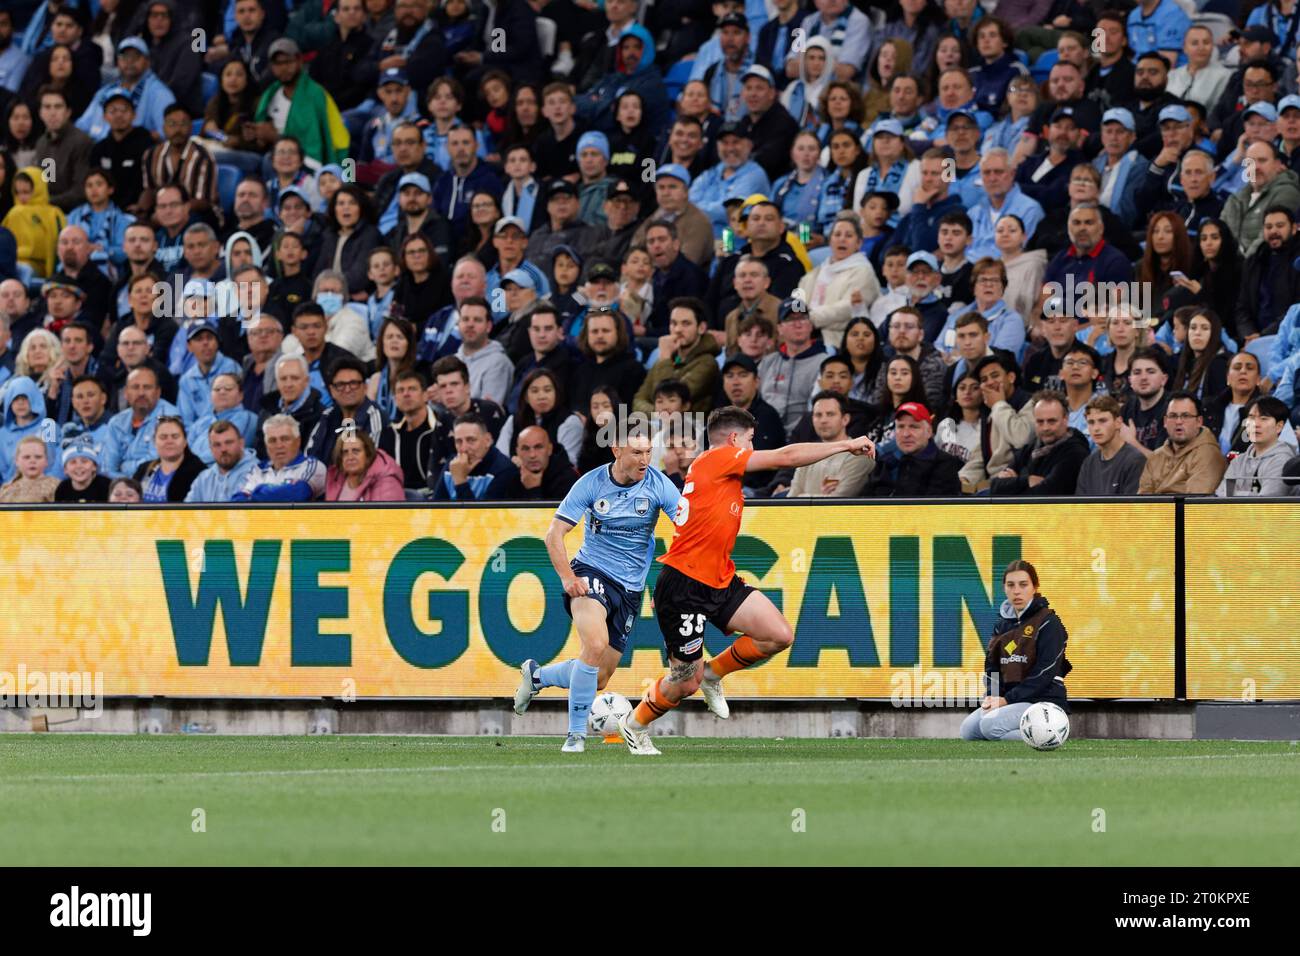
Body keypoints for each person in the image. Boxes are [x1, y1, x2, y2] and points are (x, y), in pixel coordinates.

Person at [617, 405, 876, 755]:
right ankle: (634, 724)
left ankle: (713, 673)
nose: (753, 449)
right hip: (684, 586)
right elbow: (786, 457)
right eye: (751, 441)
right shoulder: (718, 458)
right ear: (735, 440)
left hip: (719, 578)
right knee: (683, 682)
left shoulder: (720, 471)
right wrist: (844, 445)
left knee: (778, 635)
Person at [513, 423, 680, 752]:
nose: (644, 459)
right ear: (616, 451)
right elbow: (553, 535)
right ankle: (575, 735)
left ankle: (537, 677)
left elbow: (687, 531)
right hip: (591, 573)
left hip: (630, 589)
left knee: (600, 677)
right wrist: (567, 578)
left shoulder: (660, 486)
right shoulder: (591, 483)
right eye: (636, 452)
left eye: (648, 452)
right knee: (595, 643)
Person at [959, 560, 1071, 741]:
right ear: (1004, 588)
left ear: (1035, 587)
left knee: (990, 726)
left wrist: (1006, 700)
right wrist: (992, 696)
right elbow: (991, 669)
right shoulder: (1001, 626)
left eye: (1023, 585)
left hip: (1043, 703)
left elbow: (1044, 674)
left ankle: (1051, 734)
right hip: (1010, 702)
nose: (1016, 591)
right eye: (1010, 585)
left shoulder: (1049, 623)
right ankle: (1038, 737)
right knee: (969, 731)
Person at [988, 391, 1091, 496]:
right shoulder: (1031, 447)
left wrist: (1013, 483)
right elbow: (995, 487)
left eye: (1052, 421)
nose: (1045, 428)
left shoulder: (1075, 452)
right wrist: (1028, 480)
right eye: (1040, 422)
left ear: (1066, 419)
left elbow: (1046, 495)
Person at [633, 297, 720, 416]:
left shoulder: (707, 363)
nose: (678, 329)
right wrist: (657, 412)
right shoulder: (666, 358)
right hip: (657, 428)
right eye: (673, 323)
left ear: (701, 328)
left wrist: (665, 359)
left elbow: (671, 399)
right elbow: (638, 401)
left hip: (688, 431)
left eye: (686, 324)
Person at [1137, 391, 1228, 494]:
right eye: (1173, 416)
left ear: (1199, 421)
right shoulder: (1156, 456)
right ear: (1165, 422)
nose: (1179, 422)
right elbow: (1142, 500)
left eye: (1186, 416)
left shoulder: (1208, 454)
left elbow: (1194, 503)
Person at [788, 391, 876, 497]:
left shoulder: (860, 456)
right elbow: (791, 500)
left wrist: (804, 496)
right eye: (818, 415)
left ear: (845, 419)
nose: (823, 420)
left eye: (830, 414)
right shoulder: (808, 453)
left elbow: (838, 502)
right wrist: (820, 496)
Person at [868, 402, 963, 497]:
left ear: (929, 431)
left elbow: (934, 507)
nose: (906, 434)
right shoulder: (885, 461)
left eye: (914, 427)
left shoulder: (945, 464)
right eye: (901, 427)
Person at [235, 412, 327, 501]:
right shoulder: (257, 470)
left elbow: (298, 495)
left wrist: (258, 491)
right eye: (272, 440)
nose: (279, 445)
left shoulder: (312, 466)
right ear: (266, 445)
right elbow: (237, 501)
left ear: (298, 441)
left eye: (285, 439)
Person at [430, 411, 518, 500]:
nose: (464, 449)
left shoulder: (505, 470)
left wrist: (460, 481)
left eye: (471, 440)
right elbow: (436, 509)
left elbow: (479, 514)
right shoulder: (453, 464)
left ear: (487, 440)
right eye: (459, 441)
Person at [1076, 395, 1147, 495]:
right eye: (1091, 422)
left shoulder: (1135, 460)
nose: (1096, 428)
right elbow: (1080, 505)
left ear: (1118, 422)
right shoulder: (1088, 463)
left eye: (1102, 421)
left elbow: (1133, 507)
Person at [133, 412, 206, 502]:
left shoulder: (199, 472)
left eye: (175, 436)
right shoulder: (143, 469)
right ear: (154, 442)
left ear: (185, 441)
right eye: (163, 437)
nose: (169, 441)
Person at [495, 424, 579, 501]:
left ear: (550, 449)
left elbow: (558, 517)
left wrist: (533, 490)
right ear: (517, 452)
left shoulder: (568, 479)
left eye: (538, 447)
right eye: (525, 448)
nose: (532, 455)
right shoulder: (511, 476)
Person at [185, 419, 260, 502]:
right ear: (210, 448)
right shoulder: (203, 478)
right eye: (217, 445)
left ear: (241, 443)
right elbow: (186, 512)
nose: (223, 449)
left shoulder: (257, 473)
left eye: (228, 442)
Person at [323, 425, 405, 501]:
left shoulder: (387, 481)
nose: (350, 457)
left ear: (368, 454)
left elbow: (386, 515)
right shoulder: (335, 478)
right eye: (345, 452)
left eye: (356, 451)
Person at [0, 435, 58, 502]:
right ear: (16, 461)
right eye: (26, 457)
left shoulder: (56, 487)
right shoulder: (6, 489)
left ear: (46, 461)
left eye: (38, 457)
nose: (32, 461)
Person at [54, 436, 111, 502]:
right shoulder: (62, 489)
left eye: (84, 461)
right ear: (65, 470)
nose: (79, 466)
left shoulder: (107, 486)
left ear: (94, 466)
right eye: (73, 462)